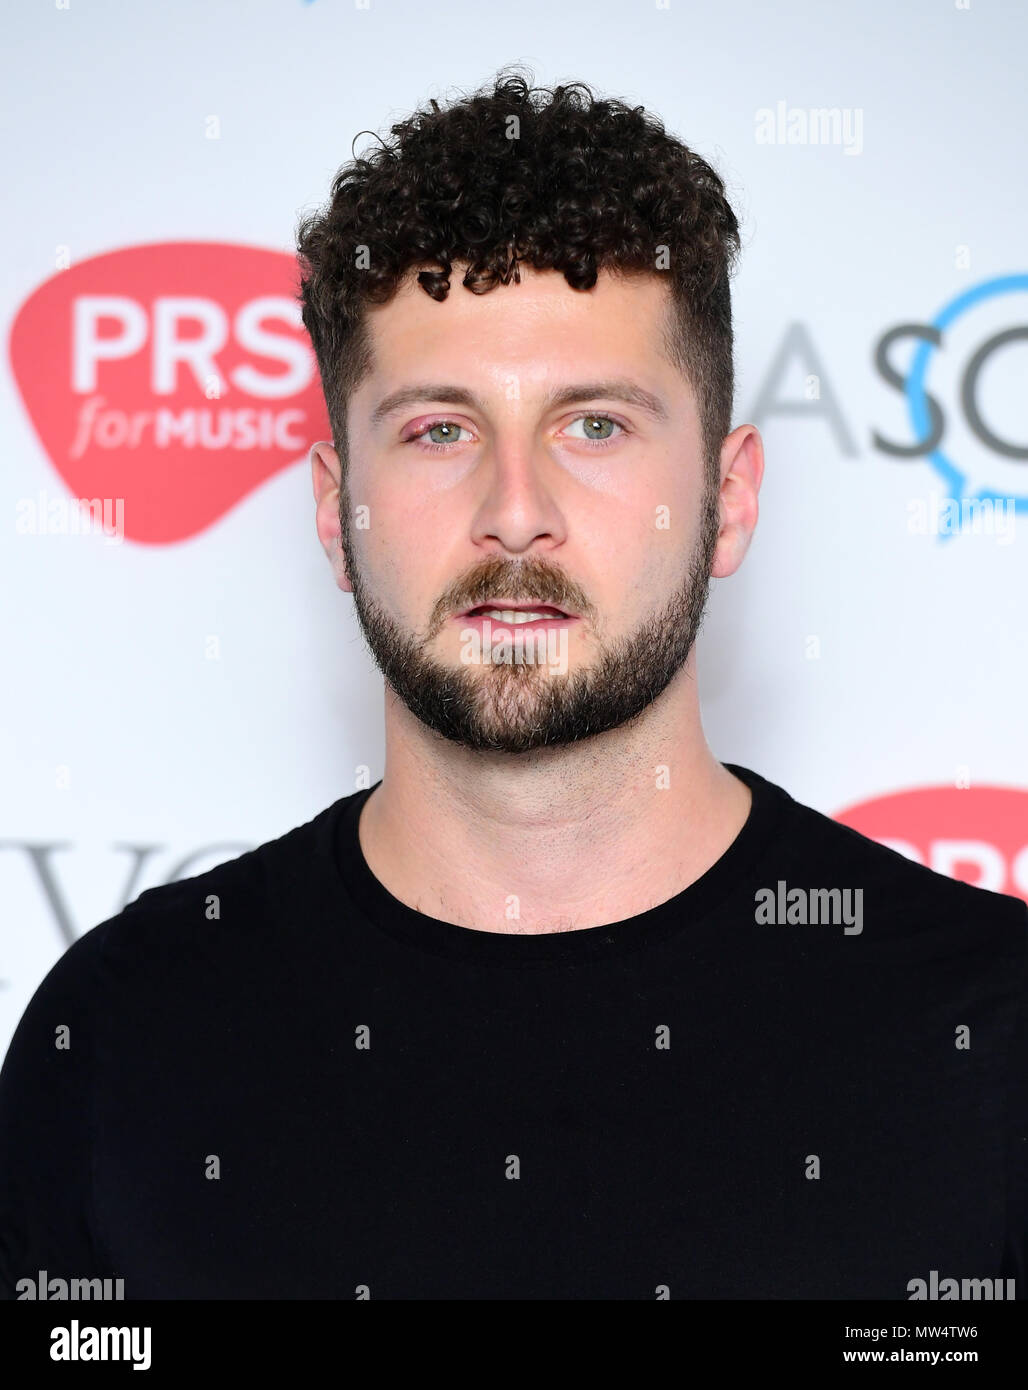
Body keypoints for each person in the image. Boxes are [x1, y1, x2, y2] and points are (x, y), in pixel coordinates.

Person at [2, 69, 1025, 1301]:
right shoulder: (123, 1039)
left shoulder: (988, 1029)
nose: (514, 515)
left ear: (729, 495)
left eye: (593, 425)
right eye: (439, 429)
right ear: (335, 508)